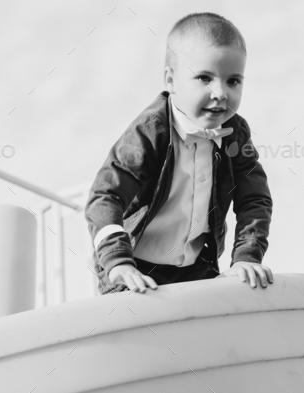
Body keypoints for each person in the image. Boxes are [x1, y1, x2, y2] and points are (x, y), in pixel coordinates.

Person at [84, 12, 273, 295]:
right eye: (205, 78)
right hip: (135, 264)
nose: (220, 92)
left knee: (214, 323)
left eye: (233, 81)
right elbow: (105, 196)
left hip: (196, 266)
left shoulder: (235, 132)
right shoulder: (150, 132)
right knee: (139, 327)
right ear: (171, 81)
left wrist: (246, 257)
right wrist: (116, 261)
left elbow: (254, 198)